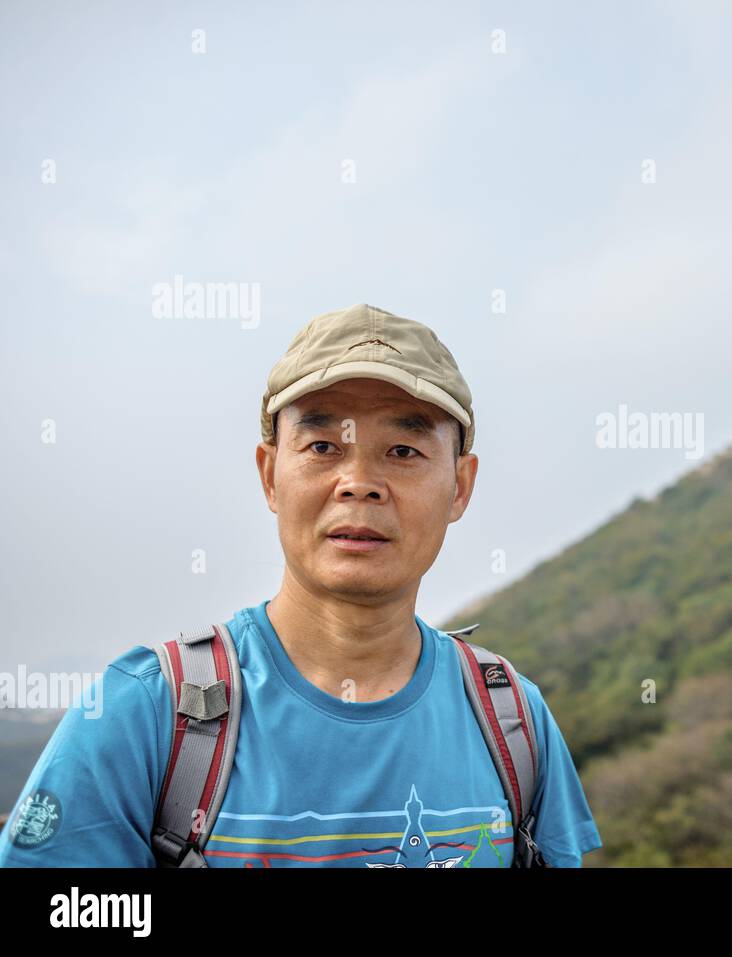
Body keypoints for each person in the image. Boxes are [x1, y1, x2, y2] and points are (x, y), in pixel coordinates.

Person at [0, 303, 602, 868]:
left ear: (460, 486)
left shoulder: (512, 718)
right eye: (321, 446)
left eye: (403, 449)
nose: (359, 483)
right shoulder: (148, 713)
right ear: (269, 475)